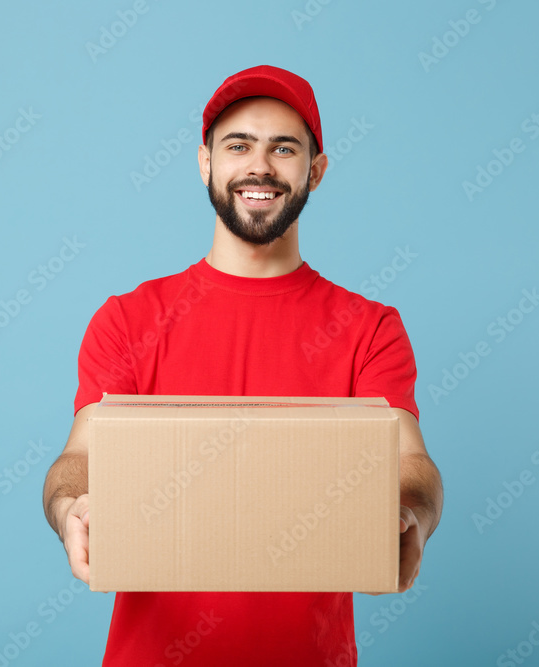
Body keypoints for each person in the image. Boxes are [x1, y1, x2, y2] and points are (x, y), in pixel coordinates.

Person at [42, 64, 444, 666]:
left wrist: (409, 511)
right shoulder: (129, 319)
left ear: (317, 169)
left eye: (284, 148)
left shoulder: (368, 328)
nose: (260, 166)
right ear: (206, 163)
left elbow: (410, 463)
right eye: (239, 145)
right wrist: (70, 507)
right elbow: (80, 460)